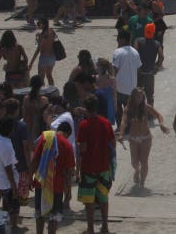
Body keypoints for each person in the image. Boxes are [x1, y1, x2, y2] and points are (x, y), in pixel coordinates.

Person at [77, 94, 116, 234]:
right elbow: (113, 144)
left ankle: (90, 228)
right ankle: (105, 226)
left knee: (89, 201)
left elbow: (83, 148)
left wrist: (78, 169)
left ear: (86, 108)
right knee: (103, 198)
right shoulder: (105, 123)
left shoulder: (84, 125)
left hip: (88, 167)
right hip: (103, 166)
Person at [30, 121, 75, 234]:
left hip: (41, 182)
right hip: (57, 186)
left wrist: (30, 178)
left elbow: (35, 160)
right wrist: (68, 191)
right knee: (53, 217)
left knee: (40, 214)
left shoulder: (45, 138)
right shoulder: (67, 145)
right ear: (68, 133)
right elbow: (68, 172)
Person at [118, 88, 168, 188]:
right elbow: (123, 121)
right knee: (134, 162)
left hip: (146, 137)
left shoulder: (145, 107)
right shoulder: (128, 109)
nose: (140, 99)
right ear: (133, 97)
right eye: (138, 96)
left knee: (144, 160)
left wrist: (161, 124)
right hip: (134, 138)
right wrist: (121, 134)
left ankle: (142, 183)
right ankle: (137, 170)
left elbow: (158, 115)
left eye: (141, 97)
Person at [0, 117, 19, 231]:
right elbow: (8, 169)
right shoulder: (6, 145)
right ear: (10, 129)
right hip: (6, 183)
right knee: (13, 208)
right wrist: (14, 188)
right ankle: (13, 227)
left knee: (6, 206)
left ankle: (6, 226)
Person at [112, 30, 141, 132]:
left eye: (118, 41)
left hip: (120, 87)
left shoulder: (118, 52)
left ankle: (120, 127)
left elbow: (114, 70)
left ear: (122, 39)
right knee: (129, 109)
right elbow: (138, 69)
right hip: (132, 87)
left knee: (118, 108)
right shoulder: (135, 52)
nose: (118, 43)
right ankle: (129, 128)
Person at [133, 23, 163, 106]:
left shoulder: (138, 41)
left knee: (137, 95)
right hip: (150, 73)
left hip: (139, 73)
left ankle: (138, 112)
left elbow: (135, 55)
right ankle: (150, 114)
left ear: (145, 31)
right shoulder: (157, 43)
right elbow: (161, 57)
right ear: (154, 32)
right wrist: (157, 67)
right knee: (150, 96)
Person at [29, 18, 57, 85]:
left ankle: (43, 92)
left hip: (44, 57)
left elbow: (39, 49)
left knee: (41, 77)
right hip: (52, 57)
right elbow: (54, 41)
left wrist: (31, 62)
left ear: (43, 24)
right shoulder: (52, 31)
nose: (38, 24)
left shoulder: (42, 35)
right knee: (49, 75)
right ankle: (52, 90)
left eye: (39, 23)